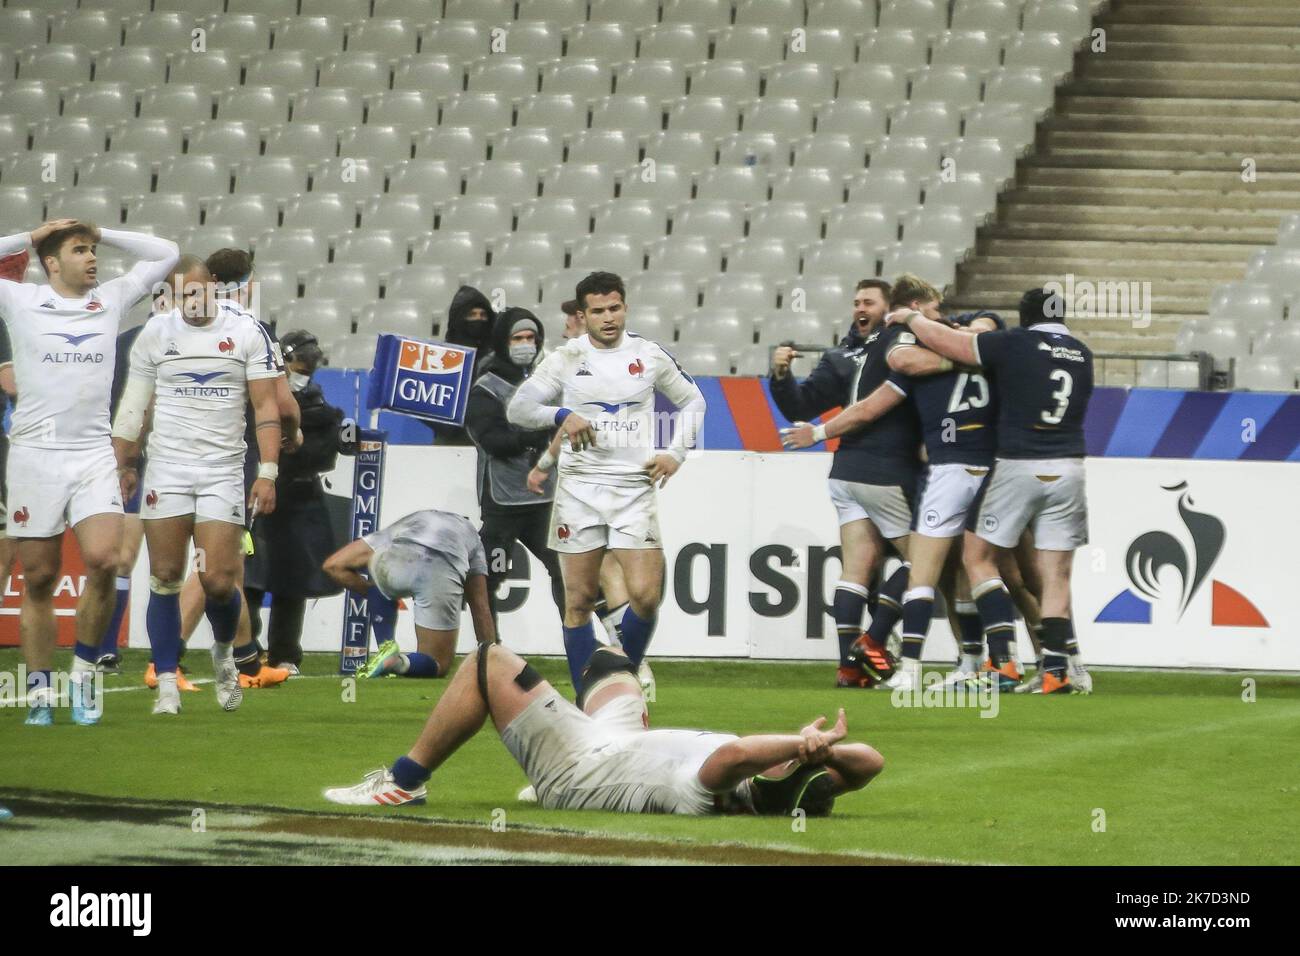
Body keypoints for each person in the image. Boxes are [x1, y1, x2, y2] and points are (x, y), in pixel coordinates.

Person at [323, 642, 884, 816]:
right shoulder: (773, 776)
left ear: (766, 780)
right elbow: (869, 762)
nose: (794, 757)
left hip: (579, 770)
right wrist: (817, 751)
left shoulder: (710, 781)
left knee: (488, 662)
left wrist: (796, 741)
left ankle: (403, 782)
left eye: (790, 764)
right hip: (621, 747)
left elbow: (739, 752)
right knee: (611, 664)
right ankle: (552, 730)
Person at [0, 219, 179, 726]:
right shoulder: (20, 300)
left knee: (104, 559)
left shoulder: (114, 298)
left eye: (93, 250)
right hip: (35, 456)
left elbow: (166, 249)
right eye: (80, 250)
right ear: (52, 263)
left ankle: (81, 675)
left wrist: (101, 229)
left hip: (92, 454)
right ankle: (38, 691)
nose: (92, 258)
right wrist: (35, 235)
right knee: (39, 577)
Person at [885, 287, 1095, 694]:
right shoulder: (1082, 353)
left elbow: (954, 344)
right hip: (1070, 468)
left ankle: (1002, 661)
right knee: (1054, 575)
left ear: (1025, 316)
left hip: (1018, 464)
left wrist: (912, 319)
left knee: (977, 558)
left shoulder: (1016, 343)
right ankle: (1059, 670)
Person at [782, 310, 1007, 690]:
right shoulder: (998, 360)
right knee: (970, 570)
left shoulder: (923, 363)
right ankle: (1002, 663)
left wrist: (818, 432)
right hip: (992, 473)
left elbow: (872, 403)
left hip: (942, 472)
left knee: (925, 567)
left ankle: (895, 661)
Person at [506, 271, 706, 696]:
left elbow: (694, 400)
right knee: (578, 601)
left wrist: (675, 453)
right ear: (584, 315)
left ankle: (622, 674)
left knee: (646, 597)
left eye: (615, 308)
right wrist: (561, 416)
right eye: (598, 311)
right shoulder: (566, 357)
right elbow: (519, 409)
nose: (608, 317)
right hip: (578, 489)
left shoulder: (648, 355)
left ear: (625, 308)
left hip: (633, 488)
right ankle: (589, 698)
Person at [110, 256, 282, 716]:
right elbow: (133, 406)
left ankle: (224, 653)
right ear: (169, 296)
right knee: (165, 576)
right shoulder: (155, 335)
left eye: (197, 291)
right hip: (166, 469)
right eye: (181, 294)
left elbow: (266, 406)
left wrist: (267, 472)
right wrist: (124, 462)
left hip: (223, 470)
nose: (191, 301)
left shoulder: (247, 332)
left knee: (219, 581)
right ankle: (167, 679)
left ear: (214, 288)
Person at [769, 279, 892, 687]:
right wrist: (782, 375)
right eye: (856, 302)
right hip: (890, 471)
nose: (860, 308)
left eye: (868, 302)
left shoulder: (875, 350)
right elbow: (800, 407)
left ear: (887, 309)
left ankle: (851, 667)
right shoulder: (855, 356)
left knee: (859, 571)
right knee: (923, 562)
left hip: (852, 472)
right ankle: (872, 647)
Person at [243, 329, 357, 671]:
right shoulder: (254, 403)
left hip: (300, 497)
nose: (303, 373)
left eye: (308, 367)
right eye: (298, 364)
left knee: (292, 581)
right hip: (260, 494)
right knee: (249, 576)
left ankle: (284, 653)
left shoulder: (327, 411)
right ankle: (245, 648)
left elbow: (326, 454)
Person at [463, 307, 566, 621]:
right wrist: (531, 438)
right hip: (502, 506)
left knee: (565, 570)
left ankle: (579, 643)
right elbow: (490, 439)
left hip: (543, 502)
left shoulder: (545, 381)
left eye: (531, 337)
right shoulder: (486, 387)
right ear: (503, 341)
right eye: (518, 338)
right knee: (488, 576)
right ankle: (490, 649)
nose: (526, 344)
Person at [322, 508, 495, 679]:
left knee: (379, 580)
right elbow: (480, 607)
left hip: (394, 564)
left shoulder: (413, 520)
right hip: (438, 571)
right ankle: (397, 663)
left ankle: (386, 647)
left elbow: (333, 566)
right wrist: (492, 657)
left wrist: (372, 592)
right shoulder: (474, 539)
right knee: (438, 663)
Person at [430, 285, 495, 446]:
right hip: (448, 442)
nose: (478, 320)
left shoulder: (495, 358)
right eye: (472, 315)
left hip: (488, 442)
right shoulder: (438, 359)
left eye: (483, 314)